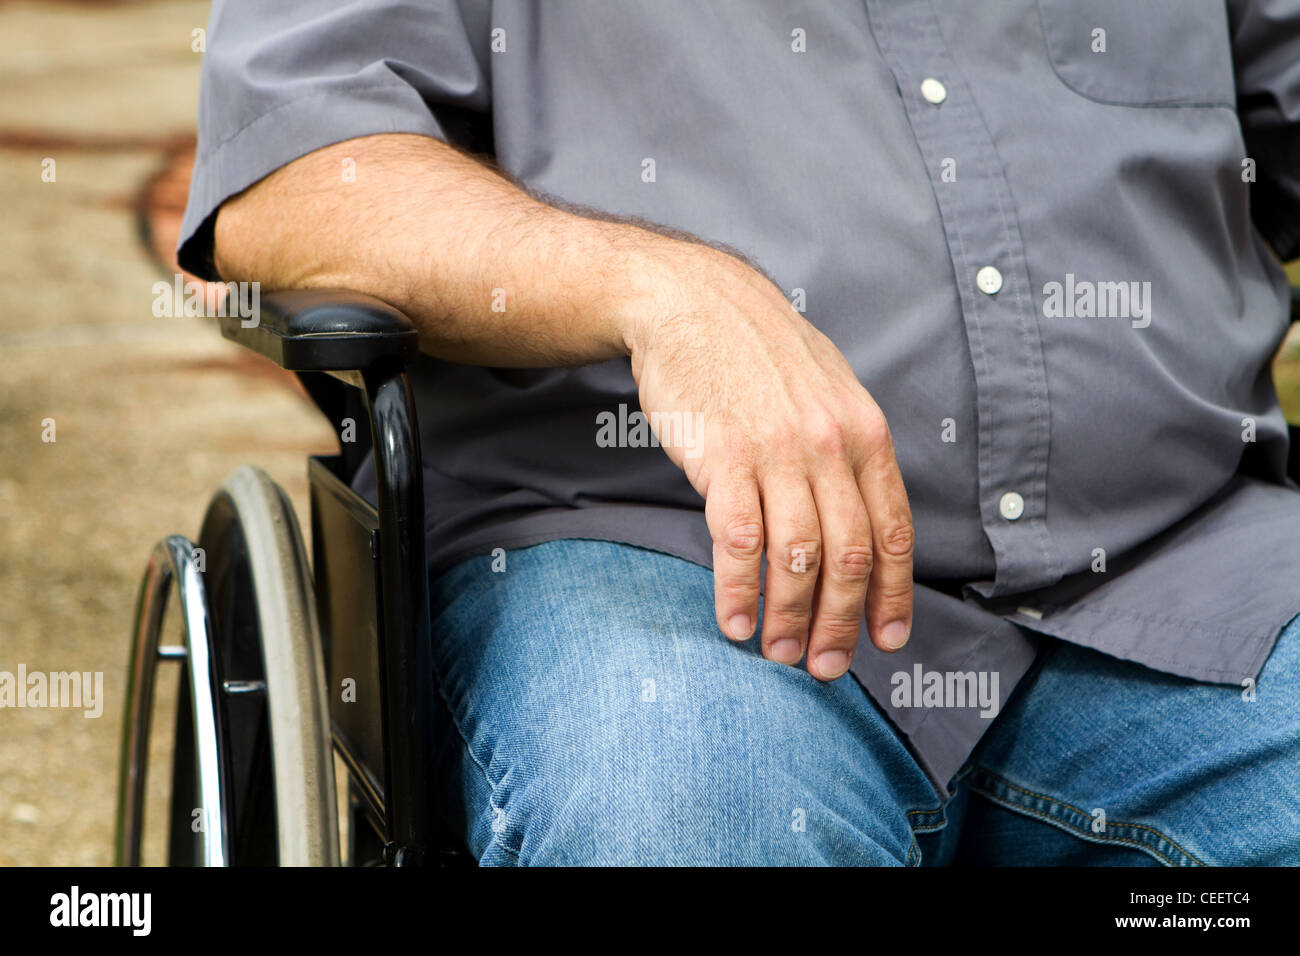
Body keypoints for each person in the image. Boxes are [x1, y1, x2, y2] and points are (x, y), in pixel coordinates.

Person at [179, 1, 1300, 865]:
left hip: (1186, 571)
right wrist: (655, 288)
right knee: (691, 818)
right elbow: (293, 181)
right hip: (657, 561)